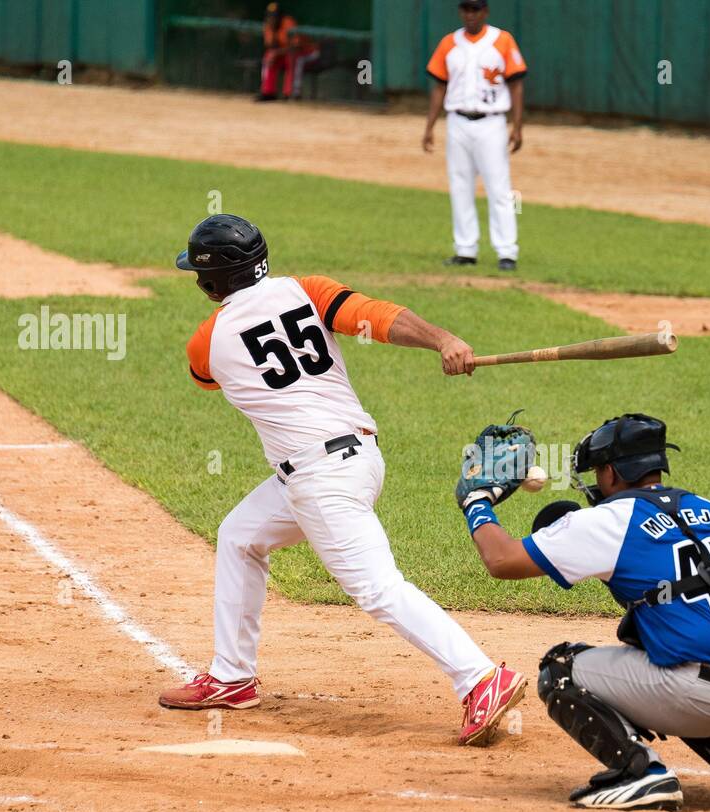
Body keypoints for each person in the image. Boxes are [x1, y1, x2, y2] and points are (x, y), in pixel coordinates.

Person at [160, 213, 525, 747]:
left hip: (320, 478)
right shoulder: (309, 290)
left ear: (211, 281)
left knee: (377, 589)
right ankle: (232, 677)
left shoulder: (207, 342)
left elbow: (207, 379)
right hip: (353, 460)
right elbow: (376, 317)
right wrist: (442, 339)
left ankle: (481, 678)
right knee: (241, 535)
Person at [454, 413, 710, 811]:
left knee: (560, 668)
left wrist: (476, 501)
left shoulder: (608, 521)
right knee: (667, 640)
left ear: (611, 471)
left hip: (701, 698)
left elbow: (501, 560)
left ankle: (642, 773)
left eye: (598, 470)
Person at [422, 0, 527, 272]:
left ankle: (507, 252)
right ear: (460, 12)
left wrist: (517, 125)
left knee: (499, 188)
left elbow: (516, 85)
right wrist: (430, 126)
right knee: (459, 185)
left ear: (485, 12)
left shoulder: (502, 40)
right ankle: (465, 249)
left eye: (475, 9)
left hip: (491, 122)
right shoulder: (449, 43)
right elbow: (438, 87)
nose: (470, 14)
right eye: (466, 9)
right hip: (457, 121)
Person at [257, 3, 297, 102]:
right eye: (269, 16)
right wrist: (273, 53)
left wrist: (276, 52)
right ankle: (268, 92)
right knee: (268, 56)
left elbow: (296, 47)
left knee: (291, 58)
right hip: (281, 55)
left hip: (301, 54)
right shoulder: (269, 25)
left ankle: (289, 93)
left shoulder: (288, 23)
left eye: (275, 16)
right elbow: (270, 46)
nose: (271, 18)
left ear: (280, 16)